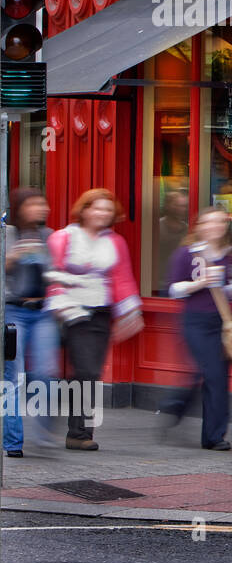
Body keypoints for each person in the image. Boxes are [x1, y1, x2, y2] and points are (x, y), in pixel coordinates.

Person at [159, 207, 232, 450]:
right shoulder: (186, 254)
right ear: (199, 226)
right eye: (209, 222)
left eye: (220, 223)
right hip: (195, 321)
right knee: (207, 372)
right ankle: (177, 406)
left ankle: (214, 436)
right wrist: (199, 283)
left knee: (218, 378)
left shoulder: (227, 255)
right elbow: (173, 290)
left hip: (223, 323)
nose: (215, 227)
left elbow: (225, 291)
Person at [44, 188, 144, 451]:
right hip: (68, 310)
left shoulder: (115, 242)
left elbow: (122, 278)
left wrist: (131, 311)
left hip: (100, 313)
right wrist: (60, 305)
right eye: (97, 208)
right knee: (74, 372)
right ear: (84, 209)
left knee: (89, 373)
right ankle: (68, 430)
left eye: (108, 210)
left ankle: (78, 433)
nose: (102, 213)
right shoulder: (63, 237)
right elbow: (54, 273)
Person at [3, 188, 59, 457]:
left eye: (43, 204)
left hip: (43, 310)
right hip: (13, 310)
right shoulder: (8, 234)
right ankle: (13, 442)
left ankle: (44, 431)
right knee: (11, 377)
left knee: (46, 373)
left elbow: (57, 274)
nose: (41, 209)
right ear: (20, 207)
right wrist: (13, 257)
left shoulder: (48, 236)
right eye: (34, 204)